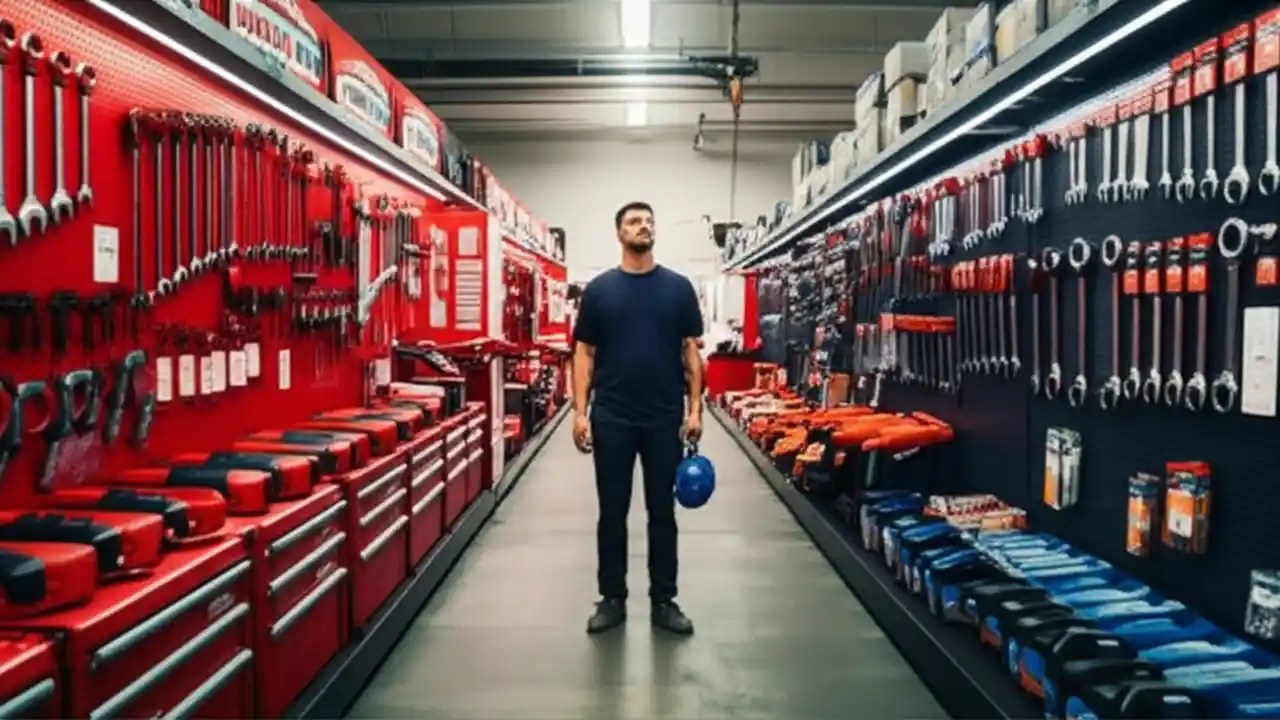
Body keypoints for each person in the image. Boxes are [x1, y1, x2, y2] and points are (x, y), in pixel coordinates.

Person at [571, 201, 705, 636]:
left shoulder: (678, 289)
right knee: (612, 512)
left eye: (649, 221)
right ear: (618, 233)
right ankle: (612, 598)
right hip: (611, 417)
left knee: (662, 512)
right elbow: (584, 353)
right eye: (633, 221)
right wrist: (578, 411)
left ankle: (663, 599)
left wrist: (696, 408)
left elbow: (690, 351)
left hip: (663, 416)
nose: (643, 226)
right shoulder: (600, 291)